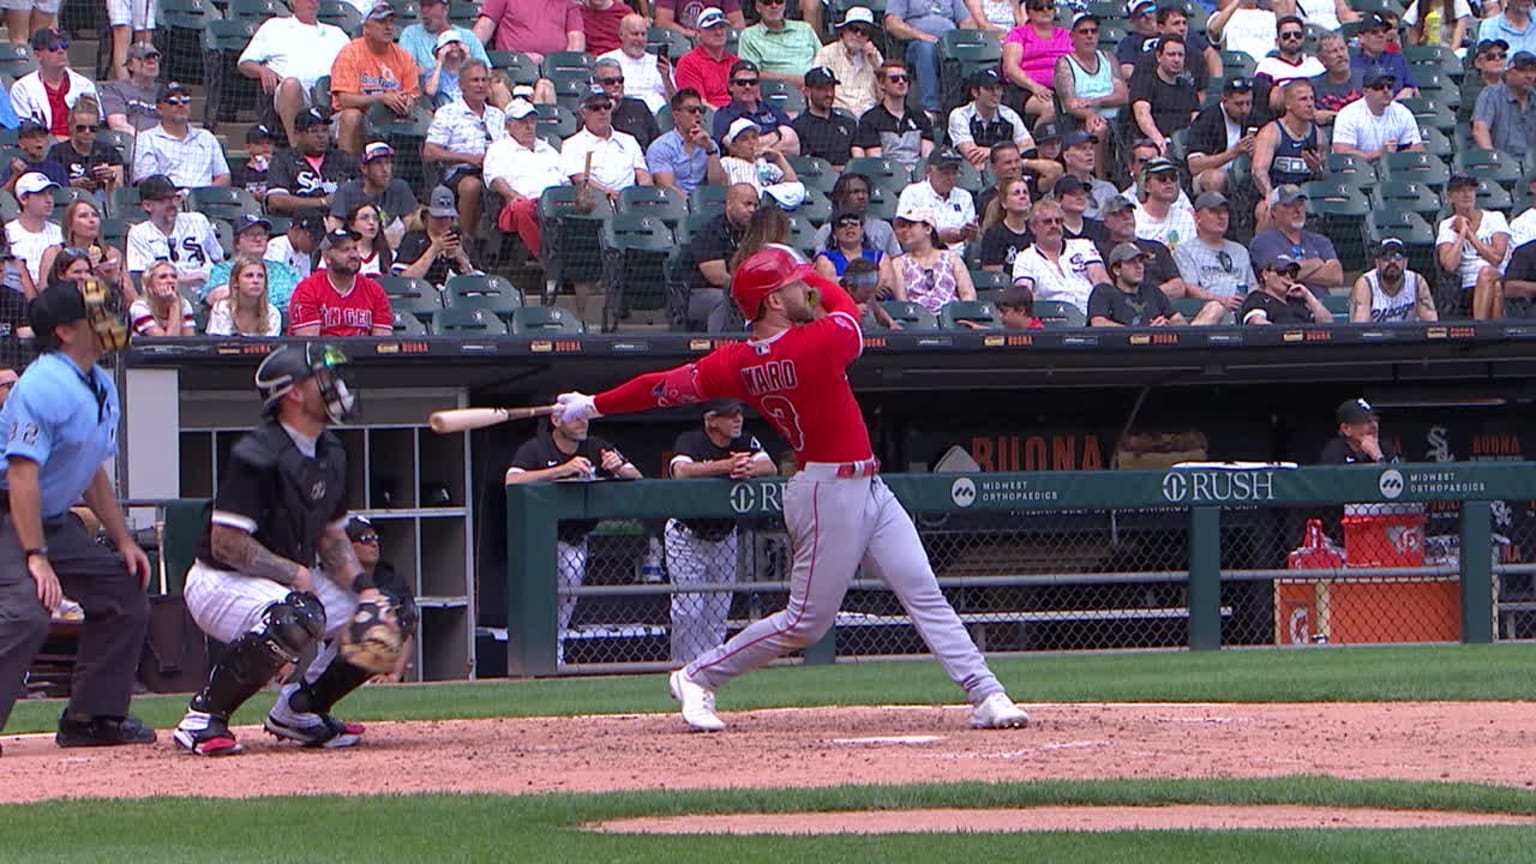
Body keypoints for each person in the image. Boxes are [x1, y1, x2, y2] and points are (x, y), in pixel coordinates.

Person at [554, 246, 1029, 732]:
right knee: (805, 622)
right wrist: (810, 272)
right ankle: (698, 675)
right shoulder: (813, 344)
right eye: (791, 285)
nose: (804, 287)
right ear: (774, 303)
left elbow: (662, 386)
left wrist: (592, 405)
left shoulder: (738, 361)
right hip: (828, 492)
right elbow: (842, 306)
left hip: (866, 486)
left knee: (923, 591)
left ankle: (985, 691)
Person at [170, 343, 390, 756]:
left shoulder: (331, 451)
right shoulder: (257, 454)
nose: (335, 386)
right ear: (292, 393)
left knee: (389, 611)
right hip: (220, 581)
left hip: (287, 584)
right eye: (322, 379)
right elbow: (226, 543)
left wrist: (364, 589)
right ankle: (203, 717)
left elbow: (331, 537)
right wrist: (292, 573)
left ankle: (300, 710)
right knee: (297, 615)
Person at [0, 281, 155, 751]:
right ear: (65, 331)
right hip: (10, 513)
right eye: (94, 313)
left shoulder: (99, 381)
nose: (108, 318)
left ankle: (92, 717)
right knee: (26, 613)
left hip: (44, 516)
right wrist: (36, 556)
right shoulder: (42, 384)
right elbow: (22, 476)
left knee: (123, 594)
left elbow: (91, 472)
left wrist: (123, 539)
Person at [504, 409, 640, 665]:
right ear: (556, 421)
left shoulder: (597, 446)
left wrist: (619, 467)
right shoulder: (536, 448)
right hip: (540, 539)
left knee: (565, 602)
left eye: (584, 417)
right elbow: (512, 481)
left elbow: (638, 477)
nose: (582, 422)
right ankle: (541, 659)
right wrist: (560, 471)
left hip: (576, 538)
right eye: (575, 417)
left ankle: (553, 657)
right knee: (541, 602)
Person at [665, 398, 774, 664]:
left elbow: (769, 466)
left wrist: (748, 467)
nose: (737, 419)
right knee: (689, 611)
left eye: (739, 413)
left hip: (725, 536)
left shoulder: (744, 441)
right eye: (729, 415)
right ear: (711, 420)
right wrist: (725, 466)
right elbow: (680, 470)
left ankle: (709, 672)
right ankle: (683, 671)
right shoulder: (691, 440)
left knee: (716, 614)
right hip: (686, 535)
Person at [238, 0, 349, 146]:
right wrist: (262, 70)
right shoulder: (275, 27)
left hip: (330, 98)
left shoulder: (336, 33)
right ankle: (297, 149)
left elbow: (353, 65)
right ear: (293, 2)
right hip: (292, 95)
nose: (312, 1)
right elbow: (244, 63)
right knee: (291, 84)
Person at [422, 61, 504, 241]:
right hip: (459, 172)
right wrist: (467, 158)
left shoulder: (498, 116)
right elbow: (430, 152)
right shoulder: (448, 113)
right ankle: (467, 241)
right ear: (461, 84)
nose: (481, 85)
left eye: (484, 80)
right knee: (471, 186)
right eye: (475, 80)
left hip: (494, 172)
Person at [331, 4, 422, 157]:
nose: (388, 27)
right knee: (352, 116)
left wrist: (408, 102)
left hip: (391, 117)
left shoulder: (403, 56)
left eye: (390, 22)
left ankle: (422, 178)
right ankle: (348, 173)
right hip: (357, 117)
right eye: (381, 22)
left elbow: (413, 94)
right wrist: (381, 98)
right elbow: (344, 100)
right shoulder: (351, 53)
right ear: (366, 27)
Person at [486, 101, 567, 256]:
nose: (529, 126)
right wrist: (512, 195)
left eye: (532, 121)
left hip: (554, 203)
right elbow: (494, 178)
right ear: (509, 125)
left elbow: (565, 180)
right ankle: (548, 260)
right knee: (520, 208)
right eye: (523, 122)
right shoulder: (498, 149)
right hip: (522, 204)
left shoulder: (548, 149)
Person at [344, 516, 417, 683]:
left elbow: (407, 629)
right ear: (347, 547)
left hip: (383, 673)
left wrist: (393, 675)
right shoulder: (332, 584)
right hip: (342, 671)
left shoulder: (393, 582)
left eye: (375, 538)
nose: (374, 544)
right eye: (365, 539)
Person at [125, 174, 222, 295]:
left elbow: (219, 260)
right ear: (147, 205)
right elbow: (144, 279)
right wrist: (195, 277)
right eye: (163, 200)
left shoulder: (198, 220)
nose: (171, 204)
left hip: (210, 288)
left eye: (173, 198)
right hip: (169, 295)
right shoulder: (139, 234)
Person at [288, 228, 394, 336]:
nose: (353, 255)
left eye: (355, 248)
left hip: (363, 352)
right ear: (327, 257)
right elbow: (308, 344)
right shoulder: (307, 290)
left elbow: (382, 343)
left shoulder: (375, 291)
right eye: (345, 250)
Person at [1011, 198, 1107, 316]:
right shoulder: (1025, 258)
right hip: (1053, 321)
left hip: (1094, 316)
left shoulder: (1083, 246)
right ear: (1033, 227)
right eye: (1047, 222)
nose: (1054, 225)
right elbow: (1025, 297)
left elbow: (1102, 282)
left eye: (1058, 221)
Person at [1439, 173, 1513, 320]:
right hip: (1468, 285)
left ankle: (1479, 330)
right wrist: (1461, 235)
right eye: (1460, 190)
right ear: (1450, 196)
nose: (1466, 194)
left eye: (1470, 190)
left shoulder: (1495, 218)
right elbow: (1450, 265)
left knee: (1487, 274)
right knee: (1495, 289)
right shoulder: (1447, 225)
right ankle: (1491, 335)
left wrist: (1469, 235)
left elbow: (1497, 258)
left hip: (1499, 275)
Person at [1251, 79, 1325, 226]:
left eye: (1311, 98)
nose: (1310, 104)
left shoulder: (1319, 135)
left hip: (1306, 198)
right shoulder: (1271, 131)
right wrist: (1269, 194)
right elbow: (1258, 170)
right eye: (1303, 99)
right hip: (1278, 194)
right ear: (1288, 104)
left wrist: (1317, 169)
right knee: (1264, 210)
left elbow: (1324, 177)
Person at [884, 0, 974, 119]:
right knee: (926, 48)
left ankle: (964, 110)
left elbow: (967, 22)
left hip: (950, 44)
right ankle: (931, 111)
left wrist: (962, 40)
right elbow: (892, 23)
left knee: (974, 50)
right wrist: (921, 35)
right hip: (916, 44)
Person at [131, 82, 231, 188]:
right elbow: (148, 182)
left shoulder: (207, 137)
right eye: (173, 101)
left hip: (205, 200)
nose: (181, 105)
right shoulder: (146, 139)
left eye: (185, 100)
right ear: (159, 109)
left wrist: (198, 196)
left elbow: (223, 177)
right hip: (168, 200)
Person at [686, 183, 756, 331]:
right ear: (729, 204)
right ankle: (719, 348)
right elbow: (716, 277)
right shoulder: (711, 231)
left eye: (755, 205)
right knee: (719, 299)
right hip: (699, 294)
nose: (752, 210)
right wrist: (747, 287)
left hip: (738, 291)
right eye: (747, 204)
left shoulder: (752, 233)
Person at [266, 107, 360, 218]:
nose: (321, 136)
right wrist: (321, 202)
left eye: (324, 130)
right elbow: (276, 200)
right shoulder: (283, 161)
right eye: (314, 131)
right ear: (297, 134)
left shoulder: (343, 159)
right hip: (298, 226)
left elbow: (364, 190)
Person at [1250, 185, 1343, 295]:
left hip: (1320, 306)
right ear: (1274, 211)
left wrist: (1294, 270)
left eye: (1300, 204)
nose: (1297, 210)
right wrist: (1317, 263)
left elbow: (1336, 276)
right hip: (1285, 306)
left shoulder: (1320, 241)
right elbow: (1281, 275)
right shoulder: (1263, 242)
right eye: (1289, 205)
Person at [562, 87, 652, 201]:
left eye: (607, 106)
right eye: (595, 107)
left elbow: (642, 174)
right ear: (583, 113)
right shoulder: (572, 144)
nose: (603, 111)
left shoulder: (629, 140)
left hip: (632, 201)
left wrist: (642, 196)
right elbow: (579, 179)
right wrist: (609, 194)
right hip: (597, 202)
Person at [1174, 192, 1253, 313]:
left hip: (1245, 310)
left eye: (1225, 212)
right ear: (1197, 217)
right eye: (1213, 211)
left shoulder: (1240, 250)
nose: (1221, 216)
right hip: (1208, 310)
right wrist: (1222, 301)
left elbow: (1253, 286)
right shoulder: (1185, 250)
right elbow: (1191, 288)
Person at [890, 203, 977, 314]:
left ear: (928, 229)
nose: (905, 230)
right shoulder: (899, 263)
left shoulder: (951, 258)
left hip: (954, 320)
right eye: (903, 226)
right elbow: (902, 302)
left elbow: (968, 294)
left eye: (911, 225)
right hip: (916, 323)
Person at [1089, 243, 1204, 326]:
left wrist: (1166, 326)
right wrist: (1144, 333)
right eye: (1131, 262)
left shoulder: (1152, 291)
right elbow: (1099, 323)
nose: (1139, 266)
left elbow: (1179, 322)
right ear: (1116, 270)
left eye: (1140, 261)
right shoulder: (1104, 292)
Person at [1053, 13, 1126, 142]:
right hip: (1080, 121)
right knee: (1097, 128)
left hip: (1118, 120)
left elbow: (1123, 95)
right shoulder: (1065, 64)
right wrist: (1090, 114)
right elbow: (1071, 104)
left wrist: (1094, 102)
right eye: (1083, 32)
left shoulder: (1108, 58)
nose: (1089, 35)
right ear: (1072, 36)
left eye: (1094, 31)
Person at [9, 29, 96, 138]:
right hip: (41, 149)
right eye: (53, 48)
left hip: (78, 146)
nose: (61, 51)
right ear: (37, 55)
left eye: (64, 46)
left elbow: (96, 122)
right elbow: (25, 130)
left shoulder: (85, 85)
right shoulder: (22, 88)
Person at [1097, 195, 1186, 299]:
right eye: (1119, 214)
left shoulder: (1156, 247)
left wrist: (1147, 296)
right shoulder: (1101, 251)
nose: (1127, 217)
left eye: (1130, 212)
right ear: (1106, 222)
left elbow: (1179, 287)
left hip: (1165, 306)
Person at [330, 141, 418, 246]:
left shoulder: (400, 188)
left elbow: (411, 224)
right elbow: (333, 231)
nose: (385, 169)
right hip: (356, 252)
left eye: (388, 163)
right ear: (364, 168)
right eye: (378, 163)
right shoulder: (346, 192)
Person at [897, 148, 978, 260]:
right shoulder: (913, 193)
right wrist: (939, 237)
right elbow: (905, 235)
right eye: (944, 172)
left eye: (954, 172)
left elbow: (969, 240)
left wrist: (970, 235)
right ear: (929, 170)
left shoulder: (964, 197)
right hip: (921, 258)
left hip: (958, 260)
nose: (950, 177)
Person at [851, 60, 935, 168]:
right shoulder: (870, 119)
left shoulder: (920, 118)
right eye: (894, 79)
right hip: (887, 177)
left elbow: (927, 160)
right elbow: (876, 163)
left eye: (905, 78)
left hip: (918, 178)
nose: (901, 82)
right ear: (882, 84)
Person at [40, 200, 124, 305]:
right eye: (83, 216)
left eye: (95, 215)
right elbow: (45, 295)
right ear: (70, 224)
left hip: (101, 311)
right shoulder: (54, 253)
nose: (92, 220)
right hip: (62, 310)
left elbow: (123, 293)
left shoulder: (111, 253)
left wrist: (105, 277)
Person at [392, 188, 480, 289]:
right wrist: (433, 250)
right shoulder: (413, 239)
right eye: (438, 217)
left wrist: (461, 259)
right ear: (426, 216)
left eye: (447, 217)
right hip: (421, 298)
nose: (443, 221)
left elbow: (479, 286)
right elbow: (403, 281)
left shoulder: (461, 240)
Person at [399, 0, 489, 96]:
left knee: (497, 85)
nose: (424, 11)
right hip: (429, 98)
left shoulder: (467, 36)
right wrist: (442, 69)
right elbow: (406, 71)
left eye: (430, 5)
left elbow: (487, 71)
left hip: (468, 93)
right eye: (422, 5)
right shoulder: (410, 34)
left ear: (445, 8)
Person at [1332, 71, 1424, 164]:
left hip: (1394, 171)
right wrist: (1379, 154)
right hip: (1358, 173)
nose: (1386, 90)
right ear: (1365, 91)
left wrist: (1395, 156)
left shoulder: (1403, 113)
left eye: (1389, 86)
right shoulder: (1348, 114)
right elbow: (1342, 153)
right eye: (1379, 87)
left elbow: (1417, 149)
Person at [1001, 0, 1070, 122]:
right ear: (1028, 12)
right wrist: (1035, 87)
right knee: (1050, 108)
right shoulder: (1018, 34)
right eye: (1039, 7)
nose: (1045, 10)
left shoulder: (1066, 35)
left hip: (1064, 89)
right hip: (1025, 89)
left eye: (1049, 6)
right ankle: (1040, 141)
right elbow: (1011, 68)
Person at [711, 60, 799, 156]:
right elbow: (737, 149)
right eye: (741, 83)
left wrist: (759, 152)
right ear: (731, 86)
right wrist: (776, 135)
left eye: (752, 82)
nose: (748, 86)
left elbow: (793, 146)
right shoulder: (723, 115)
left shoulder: (772, 110)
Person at [1186, 78, 1257, 196]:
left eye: (1248, 103)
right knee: (1216, 179)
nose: (1244, 109)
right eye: (1238, 104)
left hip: (1244, 173)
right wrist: (1232, 153)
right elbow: (1194, 166)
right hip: (1209, 174)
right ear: (1225, 101)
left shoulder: (1254, 116)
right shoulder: (1207, 119)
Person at [949, 68, 1031, 169]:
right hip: (967, 172)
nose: (996, 93)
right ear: (975, 92)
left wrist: (990, 151)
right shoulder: (959, 115)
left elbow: (1028, 146)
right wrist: (1010, 152)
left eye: (998, 88)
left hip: (1002, 170)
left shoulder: (1009, 115)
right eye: (989, 89)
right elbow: (972, 155)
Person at [1130, 35, 1200, 153]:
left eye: (1180, 55)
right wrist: (1159, 141)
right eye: (1171, 54)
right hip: (1152, 144)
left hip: (1182, 145)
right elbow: (1142, 115)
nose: (1177, 59)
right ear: (1159, 56)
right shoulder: (1144, 82)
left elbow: (1196, 120)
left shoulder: (1188, 88)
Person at [48, 101, 123, 205]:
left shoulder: (109, 151)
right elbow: (51, 188)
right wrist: (71, 184)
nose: (87, 132)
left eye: (92, 128)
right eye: (81, 128)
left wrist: (111, 177)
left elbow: (118, 192)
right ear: (71, 127)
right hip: (67, 203)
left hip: (101, 203)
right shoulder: (57, 152)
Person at [813, 7, 882, 117]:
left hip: (870, 116)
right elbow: (816, 92)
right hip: (837, 114)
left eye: (864, 32)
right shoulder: (827, 53)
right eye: (854, 29)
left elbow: (885, 97)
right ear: (844, 31)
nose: (858, 35)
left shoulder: (875, 56)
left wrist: (876, 67)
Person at [813, 172, 901, 259]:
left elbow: (896, 260)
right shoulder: (825, 232)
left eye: (864, 192)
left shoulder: (883, 228)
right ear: (841, 197)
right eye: (855, 192)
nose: (861, 196)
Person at [1349, 237, 1437, 323]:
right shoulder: (1366, 284)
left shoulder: (1417, 282)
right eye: (1386, 257)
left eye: (1398, 256)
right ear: (1377, 263)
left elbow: (1431, 324)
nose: (1392, 261)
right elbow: (1360, 329)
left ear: (1405, 262)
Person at [600, 14, 673, 114]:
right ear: (621, 35)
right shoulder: (607, 61)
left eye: (643, 34)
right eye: (635, 34)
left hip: (657, 118)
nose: (640, 39)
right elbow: (598, 98)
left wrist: (666, 78)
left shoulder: (658, 63)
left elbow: (675, 103)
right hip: (623, 116)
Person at [737, 0, 820, 87]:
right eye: (767, 2)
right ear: (758, 7)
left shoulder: (805, 28)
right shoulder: (749, 35)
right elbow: (749, 73)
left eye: (779, 1)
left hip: (816, 89)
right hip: (777, 91)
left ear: (785, 5)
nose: (774, 6)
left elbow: (824, 57)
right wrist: (792, 80)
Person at [1473, 51, 1536, 162]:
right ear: (1508, 73)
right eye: (1522, 70)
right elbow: (1480, 129)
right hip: (1500, 166)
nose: (1529, 76)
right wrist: (1493, 160)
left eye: (1533, 71)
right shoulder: (1491, 94)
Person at [473, 0, 583, 62]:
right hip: (512, 66)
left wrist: (558, 66)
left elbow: (576, 42)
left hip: (552, 72)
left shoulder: (569, 2)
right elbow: (483, 30)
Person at [673, 7, 739, 109]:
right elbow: (696, 103)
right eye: (712, 28)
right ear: (699, 33)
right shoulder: (689, 62)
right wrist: (724, 116)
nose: (718, 33)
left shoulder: (736, 62)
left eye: (721, 27)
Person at [1239, 252, 1333, 324]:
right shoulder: (1257, 298)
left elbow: (1327, 323)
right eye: (1281, 271)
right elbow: (1258, 324)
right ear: (1266, 274)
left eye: (1292, 273)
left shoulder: (1298, 301)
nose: (1288, 276)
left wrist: (1308, 295)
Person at [5, 172, 62, 291]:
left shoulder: (60, 233)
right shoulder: (7, 233)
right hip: (17, 298)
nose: (49, 200)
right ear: (23, 199)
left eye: (50, 193)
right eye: (41, 194)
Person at [793, 67, 858, 169]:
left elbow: (857, 160)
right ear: (807, 92)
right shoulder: (798, 126)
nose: (829, 94)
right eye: (822, 89)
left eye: (831, 87)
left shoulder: (848, 123)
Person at [1254, 17, 1324, 109]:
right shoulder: (1267, 65)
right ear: (1277, 41)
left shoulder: (1314, 64)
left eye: (1297, 35)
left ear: (1303, 39)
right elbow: (1262, 103)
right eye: (1286, 36)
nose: (1292, 38)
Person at [593, 58, 660, 151]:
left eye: (620, 80)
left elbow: (656, 142)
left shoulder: (639, 107)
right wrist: (608, 109)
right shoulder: (591, 110)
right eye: (609, 82)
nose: (616, 85)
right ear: (597, 84)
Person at [207, 256, 284, 337]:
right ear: (236, 282)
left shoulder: (272, 314)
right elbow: (218, 346)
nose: (256, 281)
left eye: (260, 276)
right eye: (249, 276)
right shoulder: (222, 309)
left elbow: (271, 348)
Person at [1132, 157, 1197, 249]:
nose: (1168, 181)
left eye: (1173, 177)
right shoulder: (1134, 219)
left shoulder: (1185, 218)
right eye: (1161, 178)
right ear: (1146, 186)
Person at [319, 203, 392, 277]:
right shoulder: (335, 253)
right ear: (352, 225)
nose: (371, 222)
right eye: (364, 218)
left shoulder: (389, 255)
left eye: (375, 218)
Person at [101, 42, 161, 133]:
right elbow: (118, 125)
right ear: (130, 65)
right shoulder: (115, 90)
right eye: (145, 58)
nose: (152, 61)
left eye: (155, 58)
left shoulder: (165, 92)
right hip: (133, 142)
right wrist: (146, 140)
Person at [1319, 398, 1398, 464]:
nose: (1374, 425)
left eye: (1375, 419)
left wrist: (1379, 457)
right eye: (1366, 421)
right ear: (1346, 429)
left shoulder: (1385, 448)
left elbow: (1397, 477)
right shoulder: (1334, 451)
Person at [129, 259, 196, 336]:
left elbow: (189, 341)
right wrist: (174, 305)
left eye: (174, 276)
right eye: (163, 277)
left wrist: (175, 303)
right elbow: (166, 344)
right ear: (149, 284)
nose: (170, 281)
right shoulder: (139, 308)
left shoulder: (184, 304)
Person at [978, 177, 1033, 272]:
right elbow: (990, 269)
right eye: (1016, 193)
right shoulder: (994, 233)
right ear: (1004, 203)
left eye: (1025, 192)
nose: (1022, 196)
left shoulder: (1034, 231)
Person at [1309, 34, 1363, 127]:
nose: (1340, 55)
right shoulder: (1313, 86)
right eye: (1334, 51)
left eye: (1342, 49)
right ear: (1322, 59)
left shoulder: (1366, 79)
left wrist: (1332, 116)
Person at [814, 209, 884, 279]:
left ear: (862, 230)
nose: (849, 227)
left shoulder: (879, 257)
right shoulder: (826, 259)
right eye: (842, 224)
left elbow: (886, 287)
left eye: (854, 223)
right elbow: (829, 288)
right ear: (834, 234)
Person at [1, 119, 65, 191]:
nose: (38, 140)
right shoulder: (12, 167)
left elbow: (67, 196)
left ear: (47, 141)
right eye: (32, 137)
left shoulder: (56, 168)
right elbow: (2, 197)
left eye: (42, 136)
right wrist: (15, 175)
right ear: (21, 142)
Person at [1208, 0, 1276, 65]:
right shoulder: (1225, 16)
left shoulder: (1271, 16)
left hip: (1269, 69)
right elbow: (1213, 29)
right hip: (1239, 68)